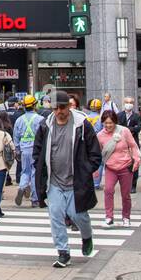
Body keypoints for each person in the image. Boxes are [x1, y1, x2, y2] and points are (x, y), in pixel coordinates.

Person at [33, 91, 102, 268]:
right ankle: (63, 252)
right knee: (56, 216)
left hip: (75, 180)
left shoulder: (82, 125)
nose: (58, 111)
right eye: (55, 108)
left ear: (69, 106)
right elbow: (38, 151)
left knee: (78, 215)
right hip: (53, 181)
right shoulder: (45, 125)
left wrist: (86, 170)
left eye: (62, 107)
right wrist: (40, 170)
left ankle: (87, 237)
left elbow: (95, 153)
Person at [97, 110, 141, 227]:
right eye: (105, 123)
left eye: (110, 123)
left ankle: (126, 217)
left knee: (126, 194)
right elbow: (98, 154)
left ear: (115, 122)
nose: (108, 125)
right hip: (110, 167)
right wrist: (95, 169)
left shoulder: (124, 131)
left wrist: (136, 159)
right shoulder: (100, 135)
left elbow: (133, 146)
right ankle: (109, 217)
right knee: (108, 190)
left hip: (125, 167)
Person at [13, 94, 47, 207]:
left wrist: (17, 150)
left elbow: (16, 137)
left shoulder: (19, 120)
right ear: (34, 105)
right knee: (35, 173)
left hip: (24, 149)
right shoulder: (40, 119)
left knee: (25, 171)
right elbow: (44, 136)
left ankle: (22, 186)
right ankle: (35, 199)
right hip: (36, 150)